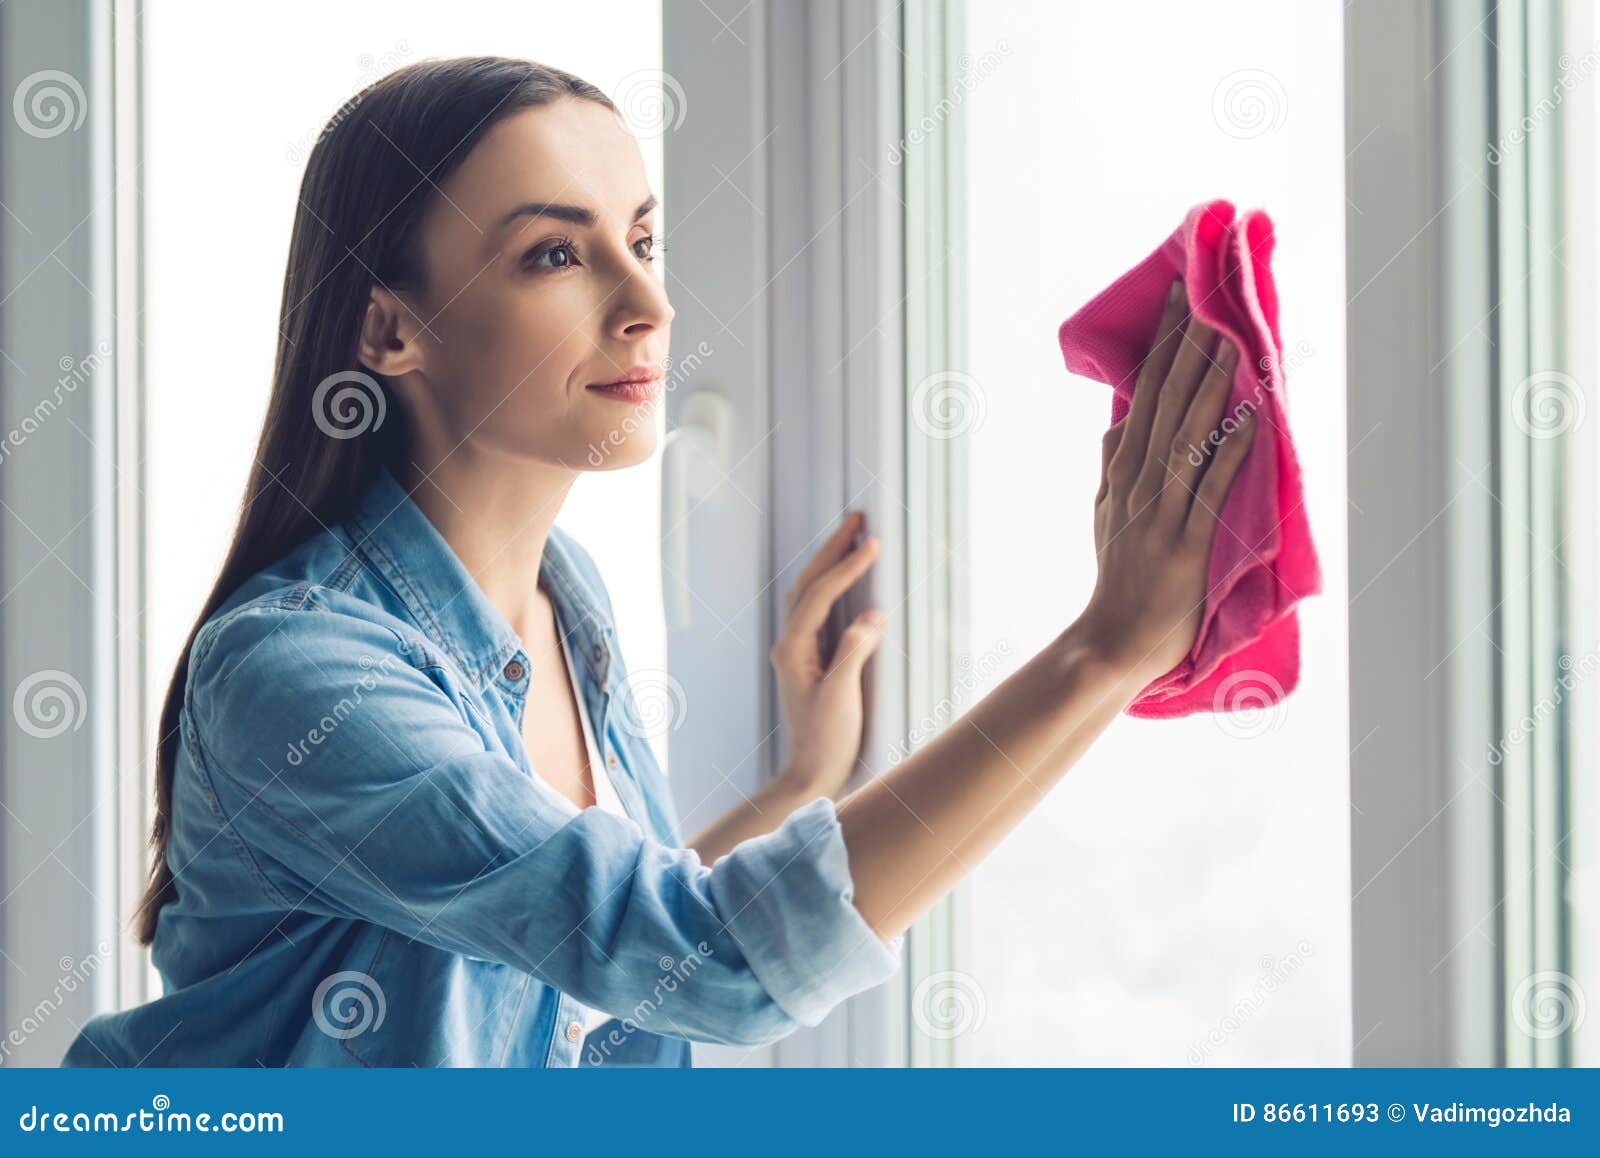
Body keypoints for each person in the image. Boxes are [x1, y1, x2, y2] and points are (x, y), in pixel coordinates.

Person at [62, 56, 1251, 1068]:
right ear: (389, 328)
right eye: (553, 255)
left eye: (640, 239)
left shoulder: (560, 595)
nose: (648, 303)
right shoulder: (296, 676)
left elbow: (603, 960)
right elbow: (710, 961)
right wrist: (1108, 649)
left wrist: (800, 784)